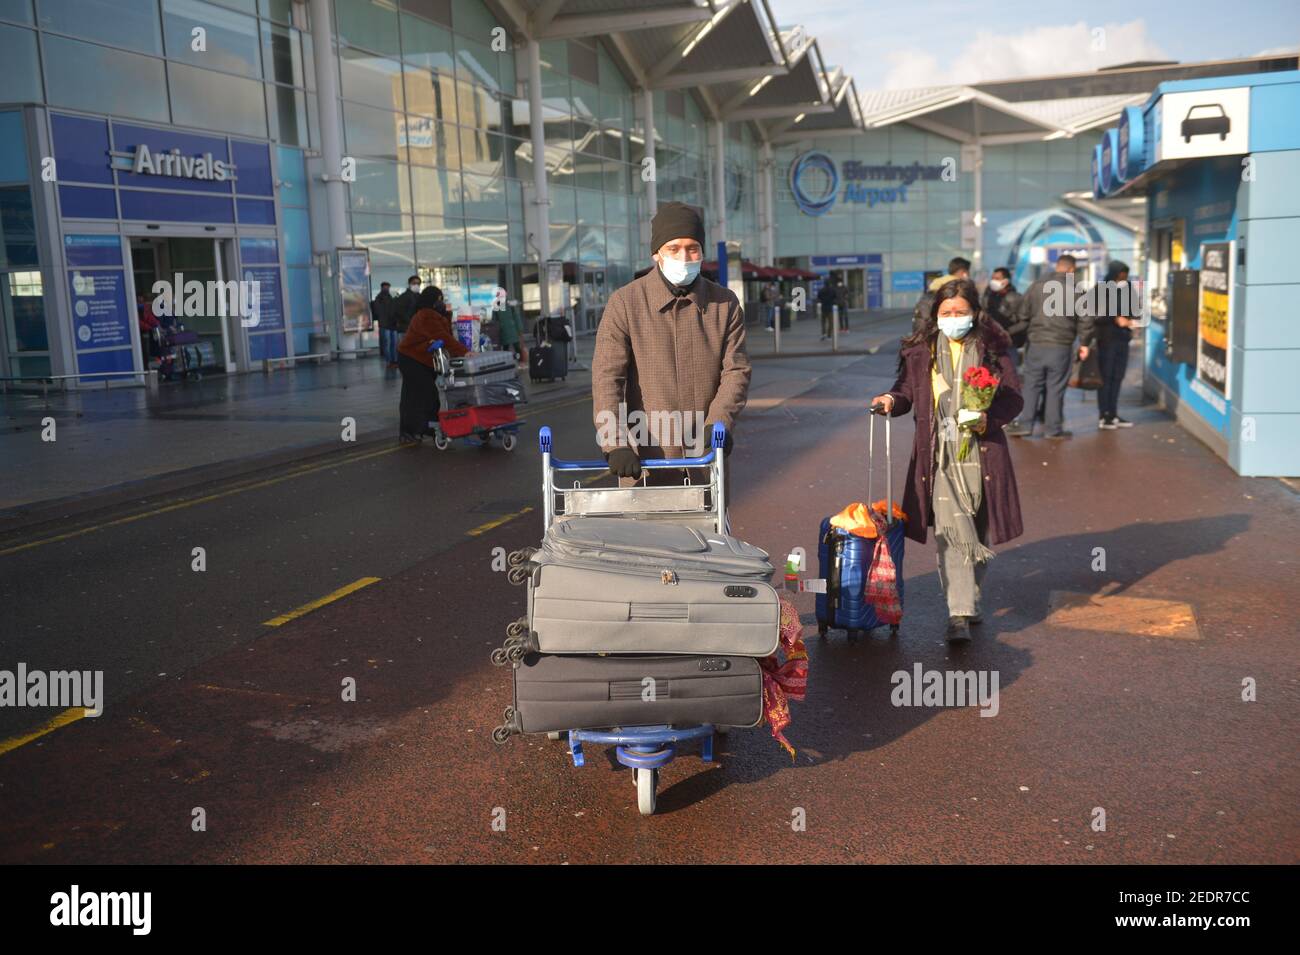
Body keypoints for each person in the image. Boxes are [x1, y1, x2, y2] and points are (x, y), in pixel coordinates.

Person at [870, 279, 1024, 643]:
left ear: (975, 313)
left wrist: (989, 418)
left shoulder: (993, 349)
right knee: (950, 533)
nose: (953, 318)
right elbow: (906, 390)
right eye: (946, 313)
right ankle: (958, 613)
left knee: (979, 533)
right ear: (936, 315)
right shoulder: (922, 350)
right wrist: (892, 401)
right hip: (937, 454)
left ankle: (970, 595)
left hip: (982, 452)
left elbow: (1014, 397)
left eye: (961, 312)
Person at [592, 201, 751, 487]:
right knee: (647, 533)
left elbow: (736, 371)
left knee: (708, 532)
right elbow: (608, 378)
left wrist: (718, 425)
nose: (685, 256)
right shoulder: (625, 303)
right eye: (674, 248)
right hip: (644, 463)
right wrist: (615, 443)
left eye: (692, 248)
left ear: (702, 252)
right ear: (657, 253)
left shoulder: (725, 304)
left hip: (705, 459)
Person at [1009, 254, 1094, 439]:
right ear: (1071, 269)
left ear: (1057, 267)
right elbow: (1086, 320)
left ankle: (1025, 425)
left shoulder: (1037, 286)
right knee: (1055, 388)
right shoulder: (1077, 290)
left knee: (1031, 385)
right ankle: (1053, 429)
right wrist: (1085, 343)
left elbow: (1022, 314)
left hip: (1036, 344)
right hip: (1061, 346)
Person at [396, 285, 467, 444]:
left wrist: (446, 316)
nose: (441, 302)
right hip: (412, 359)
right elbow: (443, 337)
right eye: (439, 299)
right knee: (425, 395)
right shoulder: (426, 316)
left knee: (413, 396)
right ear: (431, 300)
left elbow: (445, 334)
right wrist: (465, 352)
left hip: (421, 360)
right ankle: (424, 428)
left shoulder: (435, 315)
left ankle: (414, 430)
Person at [1092, 260, 1136, 430]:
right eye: (1120, 277)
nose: (1123, 280)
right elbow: (1093, 314)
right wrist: (1115, 318)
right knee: (1106, 378)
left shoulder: (1128, 289)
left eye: (1125, 276)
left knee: (1118, 377)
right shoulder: (1100, 289)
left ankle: (1113, 413)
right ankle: (1104, 415)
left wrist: (1131, 318)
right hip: (1106, 340)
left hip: (1122, 339)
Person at [913, 257, 970, 333]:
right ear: (963, 272)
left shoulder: (936, 283)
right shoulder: (957, 287)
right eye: (968, 271)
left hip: (923, 330)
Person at [371, 281, 397, 368]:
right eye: (385, 287)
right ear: (382, 288)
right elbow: (378, 312)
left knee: (393, 343)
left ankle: (393, 361)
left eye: (387, 287)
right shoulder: (379, 298)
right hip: (384, 324)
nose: (386, 289)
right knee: (387, 343)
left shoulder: (390, 297)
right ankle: (389, 361)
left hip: (391, 325)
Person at [392, 273, 421, 344]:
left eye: (418, 283)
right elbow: (399, 312)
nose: (416, 285)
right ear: (409, 284)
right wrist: (410, 321)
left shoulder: (419, 296)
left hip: (415, 328)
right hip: (405, 329)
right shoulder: (404, 296)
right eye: (414, 283)